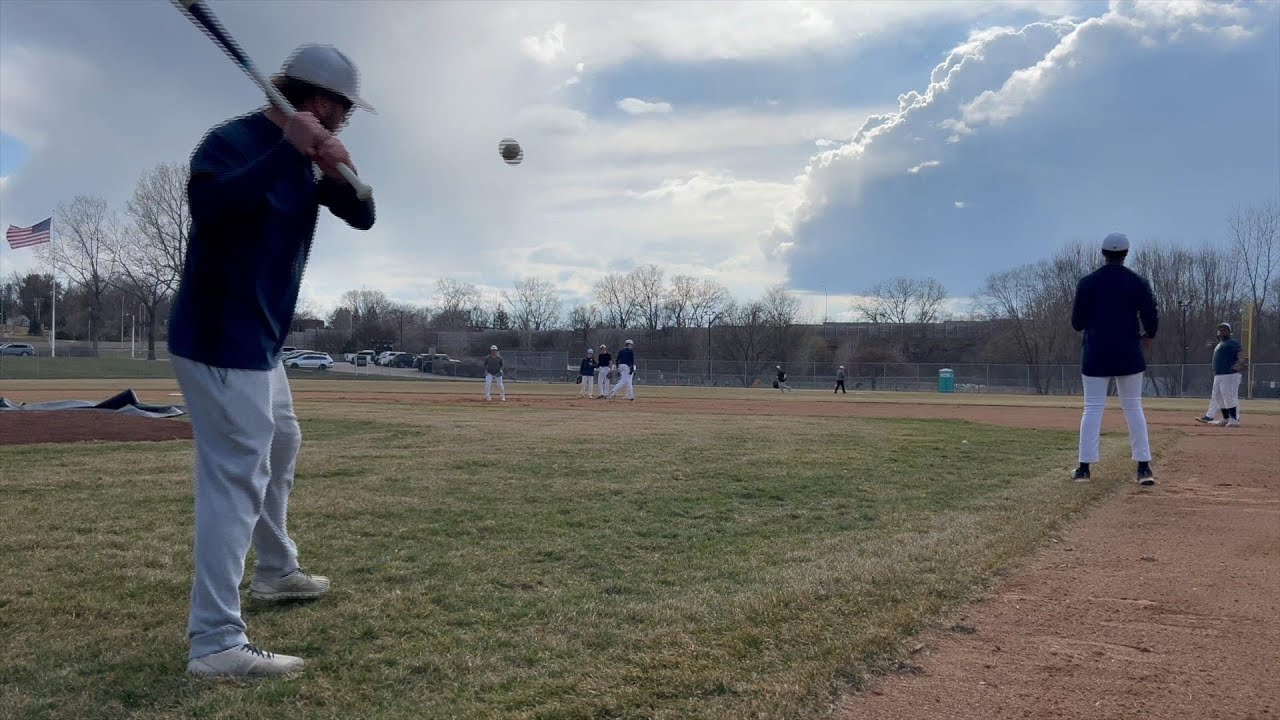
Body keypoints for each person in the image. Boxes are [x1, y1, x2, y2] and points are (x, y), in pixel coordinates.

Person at [168, 44, 375, 677]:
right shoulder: (234, 141)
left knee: (281, 442)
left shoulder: (310, 161)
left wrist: (335, 169)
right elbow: (211, 207)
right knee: (236, 478)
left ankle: (276, 571)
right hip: (219, 337)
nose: (343, 122)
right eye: (341, 112)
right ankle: (215, 643)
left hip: (259, 343)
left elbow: (364, 214)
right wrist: (288, 149)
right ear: (321, 101)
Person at [1070, 232, 1158, 486]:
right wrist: (1149, 334)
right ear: (1126, 254)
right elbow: (1151, 315)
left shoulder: (1087, 283)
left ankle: (1084, 469)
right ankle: (1144, 468)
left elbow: (1077, 323)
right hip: (1129, 351)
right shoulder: (1138, 282)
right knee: (1133, 407)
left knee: (1093, 408)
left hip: (1096, 352)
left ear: (1103, 253)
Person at [1196, 322, 1245, 427]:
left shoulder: (1233, 342)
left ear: (1229, 332)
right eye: (1220, 330)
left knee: (1228, 396)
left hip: (1230, 374)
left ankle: (1234, 419)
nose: (1221, 331)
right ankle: (1226, 418)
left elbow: (1240, 355)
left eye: (1224, 330)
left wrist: (1240, 363)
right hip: (1219, 375)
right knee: (1218, 396)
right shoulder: (1220, 344)